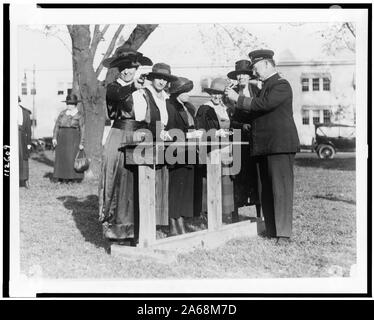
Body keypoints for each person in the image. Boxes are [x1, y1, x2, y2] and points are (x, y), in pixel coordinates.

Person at [225, 49, 300, 242]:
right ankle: (272, 230)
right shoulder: (265, 86)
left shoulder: (281, 85)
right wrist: (233, 100)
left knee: (280, 190)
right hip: (264, 147)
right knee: (266, 190)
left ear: (267, 64)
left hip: (279, 146)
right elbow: (254, 109)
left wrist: (238, 99)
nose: (254, 72)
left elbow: (263, 104)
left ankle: (283, 234)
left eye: (256, 68)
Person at [98, 48, 152, 242]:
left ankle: (137, 228)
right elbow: (119, 95)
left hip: (141, 135)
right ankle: (117, 228)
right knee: (120, 177)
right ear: (119, 70)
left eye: (132, 68)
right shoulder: (114, 88)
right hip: (121, 135)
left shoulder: (143, 91)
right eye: (124, 68)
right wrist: (134, 87)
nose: (128, 72)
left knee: (138, 179)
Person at [131, 63, 178, 233]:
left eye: (165, 79)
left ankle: (157, 222)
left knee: (160, 180)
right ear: (151, 78)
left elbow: (163, 123)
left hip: (160, 143)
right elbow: (140, 120)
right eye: (159, 78)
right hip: (144, 142)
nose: (162, 82)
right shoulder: (142, 94)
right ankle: (142, 224)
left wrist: (164, 134)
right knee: (145, 182)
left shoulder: (164, 98)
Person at [195, 78, 236, 221]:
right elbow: (200, 132)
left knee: (225, 180)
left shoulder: (226, 108)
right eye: (214, 93)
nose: (217, 97)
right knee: (211, 180)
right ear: (210, 93)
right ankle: (209, 215)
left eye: (220, 94)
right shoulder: (204, 109)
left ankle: (225, 214)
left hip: (226, 149)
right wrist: (216, 133)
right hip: (212, 149)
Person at [164, 76, 200, 235]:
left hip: (190, 151)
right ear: (178, 92)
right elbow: (171, 131)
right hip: (176, 151)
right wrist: (189, 135)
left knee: (185, 188)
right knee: (175, 188)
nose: (189, 95)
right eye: (186, 91)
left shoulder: (189, 107)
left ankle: (181, 221)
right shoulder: (169, 106)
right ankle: (173, 223)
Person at [227, 59, 261, 218]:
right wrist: (242, 126)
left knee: (256, 175)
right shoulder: (229, 93)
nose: (241, 77)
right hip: (238, 138)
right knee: (238, 175)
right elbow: (228, 119)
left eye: (245, 74)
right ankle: (235, 213)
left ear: (249, 76)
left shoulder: (257, 90)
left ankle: (259, 212)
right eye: (238, 74)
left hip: (255, 139)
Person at [52, 93, 85, 182]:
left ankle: (72, 178)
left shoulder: (79, 115)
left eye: (71, 104)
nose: (69, 105)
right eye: (68, 103)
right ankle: (61, 178)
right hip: (61, 137)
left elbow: (82, 129)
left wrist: (82, 143)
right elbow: (56, 126)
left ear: (75, 105)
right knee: (61, 158)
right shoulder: (62, 113)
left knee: (71, 158)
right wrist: (54, 138)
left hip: (73, 138)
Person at [18, 96, 32, 188]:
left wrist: (29, 143)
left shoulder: (25, 112)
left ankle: (25, 179)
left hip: (21, 137)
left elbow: (28, 129)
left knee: (23, 157)